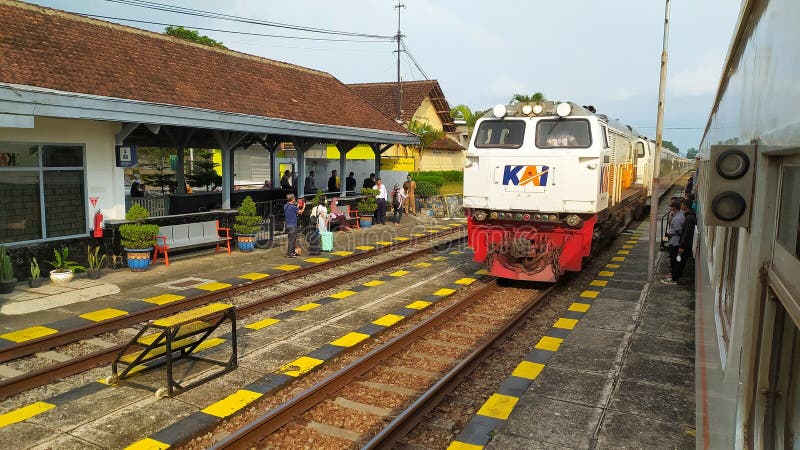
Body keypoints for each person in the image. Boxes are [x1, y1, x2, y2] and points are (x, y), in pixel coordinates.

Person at [662, 201, 686, 284]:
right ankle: (674, 275)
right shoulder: (680, 216)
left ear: (674, 208)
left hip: (675, 241)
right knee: (676, 260)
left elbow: (678, 231)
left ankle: (674, 278)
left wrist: (671, 234)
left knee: (674, 260)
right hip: (676, 240)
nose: (670, 208)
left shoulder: (677, 218)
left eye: (671, 207)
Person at [283, 193, 305, 258]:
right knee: (292, 240)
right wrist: (304, 206)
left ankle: (292, 252)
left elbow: (293, 211)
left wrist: (297, 206)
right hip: (292, 225)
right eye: (294, 198)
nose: (295, 198)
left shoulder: (286, 206)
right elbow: (300, 212)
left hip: (287, 225)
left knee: (291, 239)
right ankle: (289, 254)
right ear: (292, 199)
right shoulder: (293, 207)